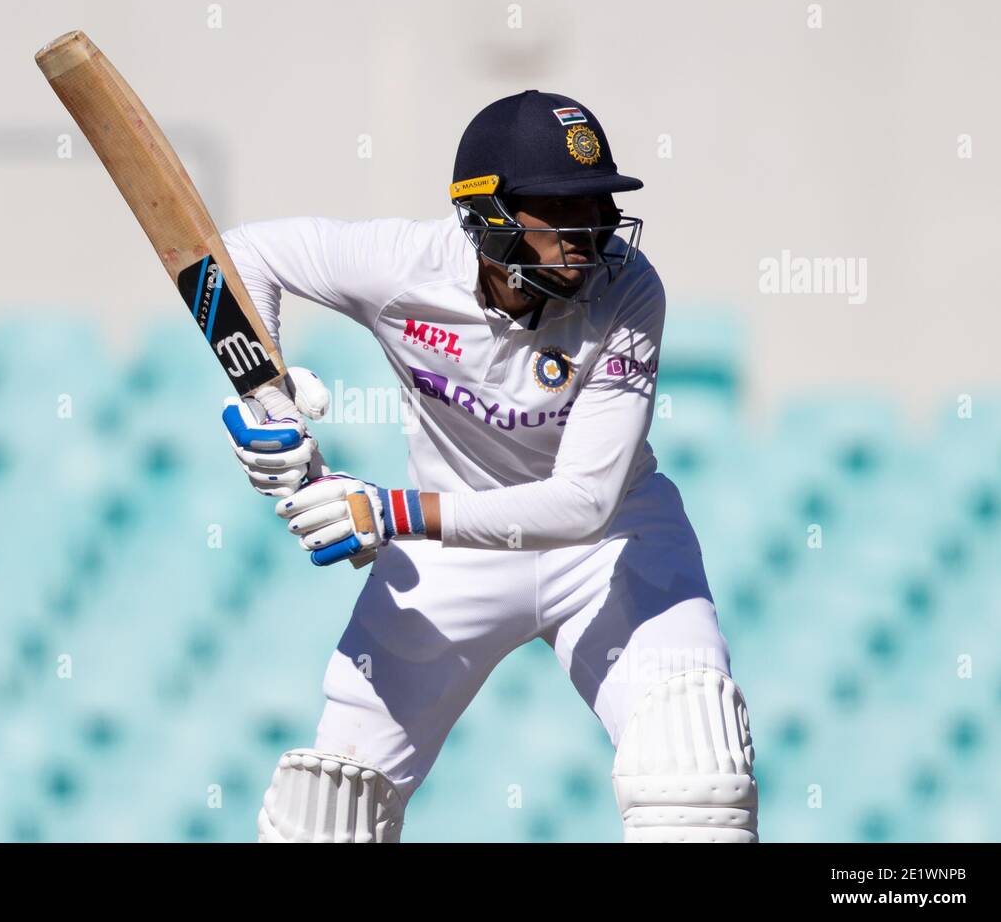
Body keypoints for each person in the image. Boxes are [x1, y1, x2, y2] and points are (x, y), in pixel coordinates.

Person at [220, 91, 757, 843]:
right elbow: (238, 254)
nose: (593, 233)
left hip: (609, 547)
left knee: (696, 779)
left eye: (599, 207)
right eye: (563, 213)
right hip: (451, 557)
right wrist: (266, 397)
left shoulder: (630, 287)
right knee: (327, 813)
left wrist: (388, 513)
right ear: (488, 216)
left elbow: (580, 505)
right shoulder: (403, 265)